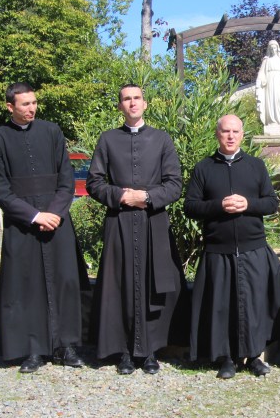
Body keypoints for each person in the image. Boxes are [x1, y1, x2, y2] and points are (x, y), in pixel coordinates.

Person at [185, 115, 280, 379]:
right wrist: (218, 206)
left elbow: (271, 203)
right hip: (218, 250)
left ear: (242, 135)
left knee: (255, 306)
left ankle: (254, 356)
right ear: (217, 134)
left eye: (235, 131)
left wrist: (248, 204)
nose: (231, 136)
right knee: (222, 307)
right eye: (225, 131)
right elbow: (190, 206)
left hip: (252, 248)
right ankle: (226, 358)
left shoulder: (256, 166)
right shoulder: (204, 168)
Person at [87, 83, 185, 375]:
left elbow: (175, 184)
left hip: (152, 221)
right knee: (120, 286)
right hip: (119, 222)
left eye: (137, 98)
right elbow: (94, 182)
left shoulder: (162, 139)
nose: (132, 103)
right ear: (120, 106)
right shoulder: (108, 139)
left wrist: (146, 197)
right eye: (126, 99)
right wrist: (120, 195)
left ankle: (151, 350)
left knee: (152, 285)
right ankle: (126, 352)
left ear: (145, 104)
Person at [0, 82, 89, 373]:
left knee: (66, 282)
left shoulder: (52, 131)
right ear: (10, 107)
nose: (31, 108)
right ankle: (32, 348)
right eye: (25, 104)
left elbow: (66, 179)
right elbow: (0, 189)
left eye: (34, 103)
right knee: (27, 285)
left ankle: (66, 346)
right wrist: (34, 216)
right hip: (23, 225)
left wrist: (55, 213)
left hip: (57, 221)